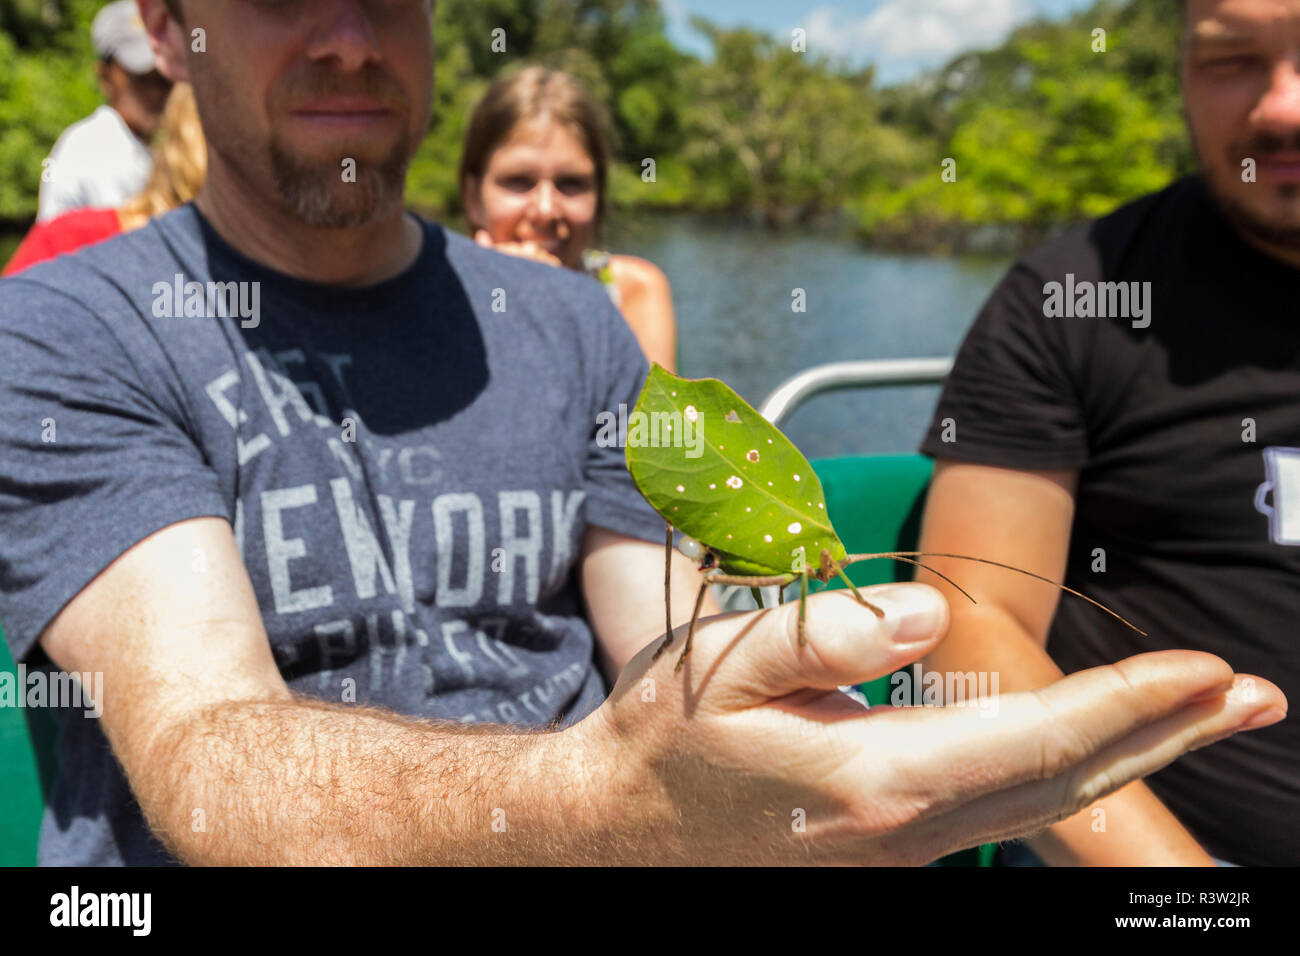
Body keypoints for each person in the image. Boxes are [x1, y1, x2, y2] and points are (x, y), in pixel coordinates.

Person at [0, 0, 1281, 867]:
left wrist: (780, 710)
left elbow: (664, 638)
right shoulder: (65, 329)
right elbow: (208, 757)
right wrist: (621, 794)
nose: (347, 39)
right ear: (170, 28)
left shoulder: (573, 324)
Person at [915, 0, 1297, 867]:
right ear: (1180, 72)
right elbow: (969, 626)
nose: (1281, 107)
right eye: (1231, 59)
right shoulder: (1071, 299)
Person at [459, 66, 678, 371]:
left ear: (599, 195)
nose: (547, 210)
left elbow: (656, 420)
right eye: (519, 181)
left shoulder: (635, 290)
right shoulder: (440, 296)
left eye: (571, 183)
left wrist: (560, 303)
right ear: (473, 198)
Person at [4, 82, 204, 277]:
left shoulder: (115, 141)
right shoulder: (95, 140)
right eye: (146, 80)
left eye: (161, 81)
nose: (154, 92)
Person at [36, 1, 173, 222]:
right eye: (141, 78)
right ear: (105, 77)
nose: (156, 91)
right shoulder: (95, 147)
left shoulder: (147, 146)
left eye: (161, 77)